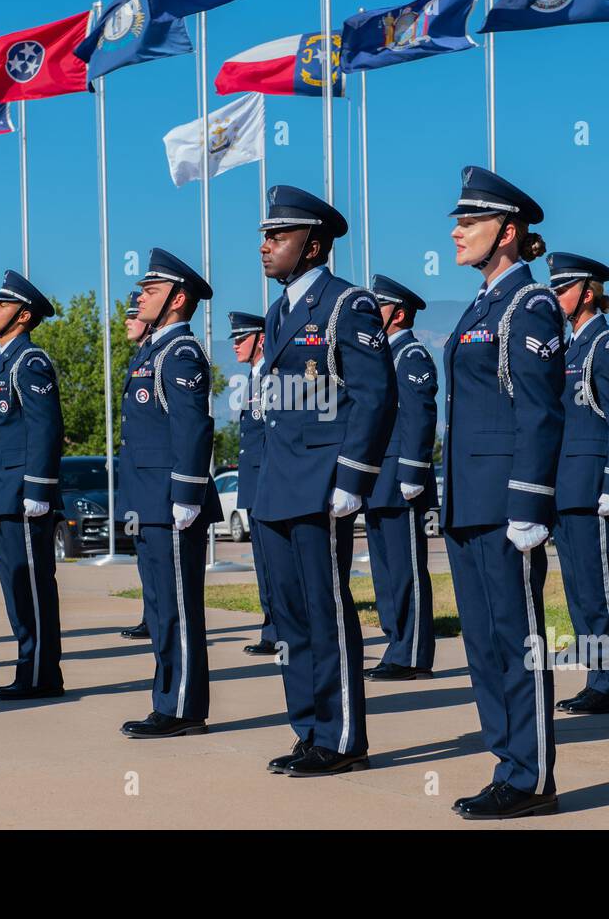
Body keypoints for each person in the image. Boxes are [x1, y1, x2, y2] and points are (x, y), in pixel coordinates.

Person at [251, 185, 397, 777]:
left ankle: (341, 737)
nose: (265, 246)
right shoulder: (279, 311)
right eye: (264, 236)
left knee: (326, 611)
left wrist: (353, 477)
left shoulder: (346, 304)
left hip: (320, 481)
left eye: (277, 236)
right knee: (289, 617)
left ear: (313, 246)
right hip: (278, 482)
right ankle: (309, 729)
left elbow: (374, 395)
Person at [440, 167, 563, 819]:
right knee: (485, 644)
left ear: (507, 231)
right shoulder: (482, 305)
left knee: (516, 640)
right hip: (469, 500)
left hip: (505, 503)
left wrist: (529, 503)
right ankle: (508, 765)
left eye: (471, 221)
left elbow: (540, 412)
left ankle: (531, 777)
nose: (457, 231)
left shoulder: (529, 304)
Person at [116, 248, 221, 738]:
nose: (140, 297)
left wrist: (186, 495)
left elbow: (193, 429)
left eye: (151, 290)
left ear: (178, 299)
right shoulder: (152, 351)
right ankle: (168, 701)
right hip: (150, 502)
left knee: (177, 608)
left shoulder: (180, 353)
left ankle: (182, 708)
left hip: (171, 502)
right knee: (160, 608)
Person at [548, 254, 609, 713]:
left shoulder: (606, 345)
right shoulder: (569, 348)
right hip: (567, 489)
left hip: (593, 488)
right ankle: (598, 677)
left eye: (562, 289)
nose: (554, 297)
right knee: (580, 591)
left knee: (599, 588)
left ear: (587, 293)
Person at [0, 270, 65, 700]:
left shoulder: (30, 362)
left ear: (24, 315)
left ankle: (40, 675)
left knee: (32, 587)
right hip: (2, 492)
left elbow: (46, 429)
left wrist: (37, 490)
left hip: (22, 494)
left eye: (3, 303)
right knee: (16, 587)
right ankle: (30, 669)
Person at [362, 275, 438, 682]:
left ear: (400, 313)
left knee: (406, 570)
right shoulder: (381, 356)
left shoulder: (411, 356)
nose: (372, 312)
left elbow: (419, 417)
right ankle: (396, 646)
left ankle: (413, 654)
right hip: (377, 479)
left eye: (380, 305)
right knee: (385, 572)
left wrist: (413, 471)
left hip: (400, 480)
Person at [228, 310, 278, 657]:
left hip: (269, 483)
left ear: (260, 339)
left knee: (275, 564)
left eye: (241, 337)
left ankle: (281, 631)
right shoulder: (253, 378)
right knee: (263, 564)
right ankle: (271, 630)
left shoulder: (272, 377)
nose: (235, 344)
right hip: (254, 482)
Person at [119, 290, 154, 642]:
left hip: (154, 480)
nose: (128, 321)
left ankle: (157, 616)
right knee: (143, 554)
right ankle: (151, 615)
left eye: (134, 315)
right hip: (138, 480)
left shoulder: (164, 356)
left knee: (157, 558)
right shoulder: (141, 358)